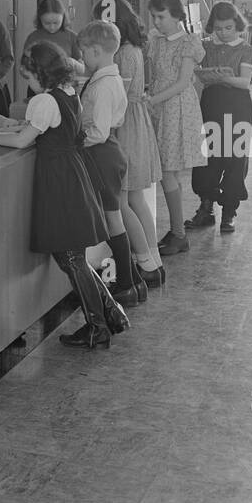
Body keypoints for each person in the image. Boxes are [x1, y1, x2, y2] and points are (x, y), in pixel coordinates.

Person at [0, 41, 129, 350]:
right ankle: (110, 313)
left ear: (40, 73)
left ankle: (98, 326)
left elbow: (23, 140)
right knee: (72, 255)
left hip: (59, 179)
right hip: (73, 171)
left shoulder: (43, 100)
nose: (27, 83)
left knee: (69, 255)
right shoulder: (67, 92)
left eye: (28, 76)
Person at [93, 0, 165, 287]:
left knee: (121, 200)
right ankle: (153, 260)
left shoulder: (122, 53)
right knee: (135, 198)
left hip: (125, 126)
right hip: (137, 122)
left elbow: (115, 97)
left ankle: (144, 262)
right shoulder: (135, 47)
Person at [76, 20, 146, 307]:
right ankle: (134, 282)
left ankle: (127, 284)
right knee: (112, 217)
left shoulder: (104, 85)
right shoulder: (108, 78)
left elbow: (98, 132)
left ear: (95, 51)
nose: (81, 58)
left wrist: (72, 143)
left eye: (83, 52)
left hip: (102, 153)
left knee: (112, 218)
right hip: (107, 152)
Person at [145, 0, 206, 256]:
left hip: (177, 108)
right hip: (160, 106)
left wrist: (151, 100)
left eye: (161, 16)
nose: (156, 22)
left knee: (168, 171)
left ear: (177, 15)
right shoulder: (156, 41)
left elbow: (182, 83)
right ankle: (176, 229)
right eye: (154, 17)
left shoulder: (189, 42)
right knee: (168, 171)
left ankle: (179, 234)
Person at [187, 1, 252, 234]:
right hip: (210, 106)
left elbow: (244, 83)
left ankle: (229, 212)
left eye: (228, 28)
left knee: (236, 158)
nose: (223, 33)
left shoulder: (246, 49)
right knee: (207, 158)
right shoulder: (206, 47)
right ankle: (206, 207)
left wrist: (223, 78)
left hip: (238, 108)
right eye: (218, 28)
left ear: (237, 26)